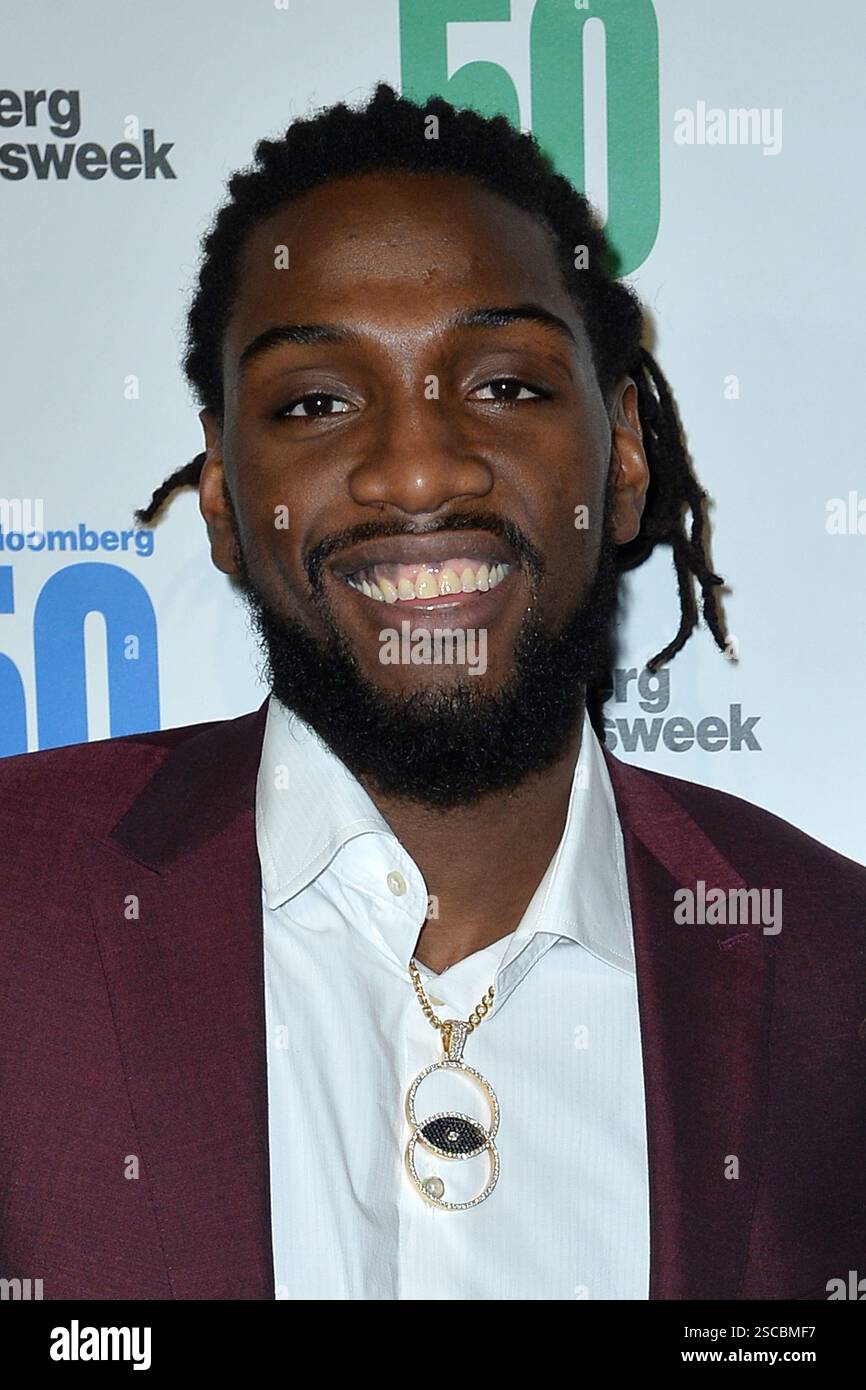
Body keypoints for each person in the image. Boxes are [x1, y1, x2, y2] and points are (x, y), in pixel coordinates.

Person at [1, 83, 864, 1301]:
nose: (417, 466)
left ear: (621, 458)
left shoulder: (830, 967)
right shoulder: (18, 906)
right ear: (221, 504)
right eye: (314, 402)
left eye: (504, 384)